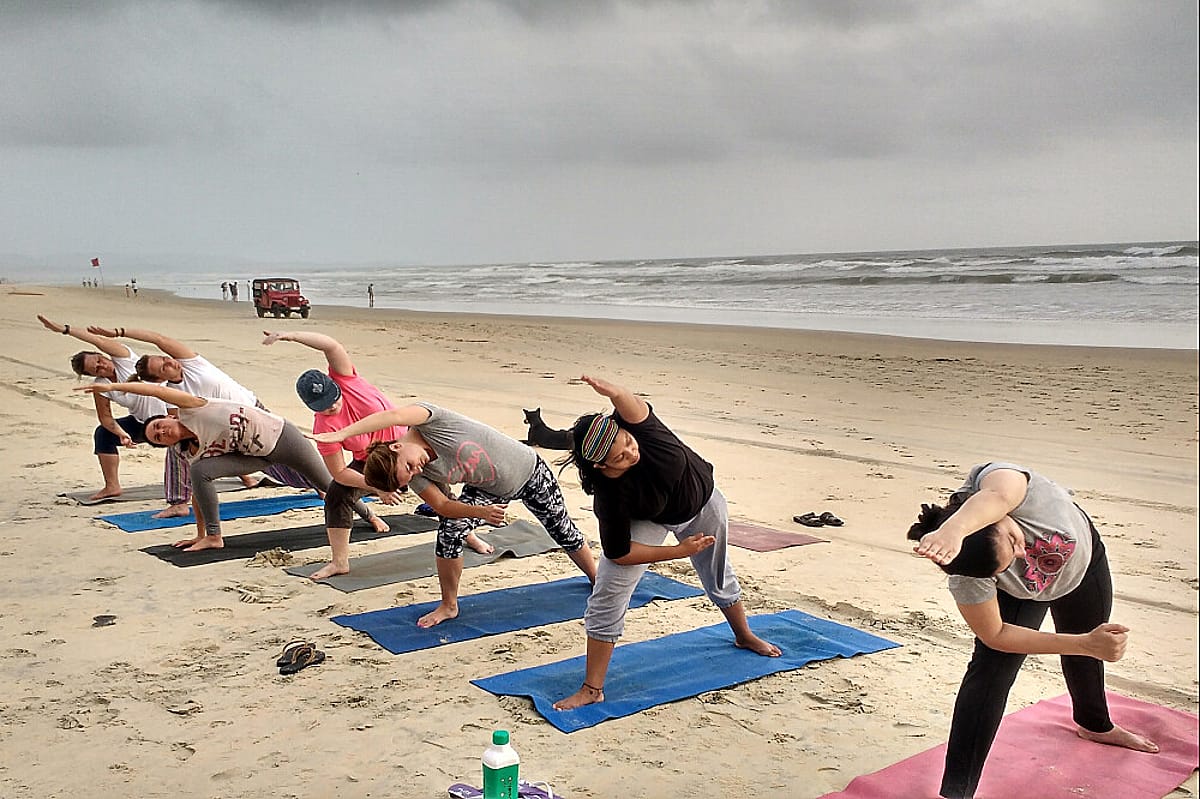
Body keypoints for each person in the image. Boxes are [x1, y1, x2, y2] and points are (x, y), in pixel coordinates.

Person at [909, 462, 1159, 799]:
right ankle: (957, 792)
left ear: (990, 516)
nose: (1022, 553)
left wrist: (954, 529)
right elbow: (996, 634)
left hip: (1085, 567)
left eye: (1012, 538)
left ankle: (1095, 725)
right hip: (1023, 594)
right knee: (991, 673)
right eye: (1009, 560)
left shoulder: (998, 481)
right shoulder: (968, 577)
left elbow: (998, 495)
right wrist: (1083, 642)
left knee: (1088, 656)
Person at [551, 375, 780, 711]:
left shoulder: (647, 435)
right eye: (621, 457)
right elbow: (621, 552)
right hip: (650, 517)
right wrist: (676, 552)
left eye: (628, 441)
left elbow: (633, 407)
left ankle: (743, 634)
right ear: (601, 467)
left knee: (716, 571)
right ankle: (592, 688)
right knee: (609, 590)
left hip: (703, 503)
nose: (632, 453)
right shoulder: (610, 498)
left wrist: (614, 392)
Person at [308, 403, 599, 628]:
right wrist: (480, 512)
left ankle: (596, 579)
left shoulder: (434, 420)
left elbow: (394, 415)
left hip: (531, 472)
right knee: (449, 533)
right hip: (488, 489)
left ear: (397, 446)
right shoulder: (419, 477)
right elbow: (444, 507)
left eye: (409, 466)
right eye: (409, 476)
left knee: (562, 531)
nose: (416, 471)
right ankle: (449, 605)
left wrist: (344, 433)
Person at [86, 324, 378, 531]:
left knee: (310, 478)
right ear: (158, 378)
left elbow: (159, 338)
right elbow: (179, 420)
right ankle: (186, 509)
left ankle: (352, 494)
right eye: (163, 368)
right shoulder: (179, 404)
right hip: (237, 441)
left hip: (261, 421)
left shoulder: (193, 365)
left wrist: (120, 334)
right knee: (188, 459)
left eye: (167, 360)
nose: (170, 363)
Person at [262, 330, 470, 581]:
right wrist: (376, 485)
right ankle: (339, 562)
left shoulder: (347, 379)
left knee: (441, 491)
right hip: (372, 460)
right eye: (323, 406)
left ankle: (468, 535)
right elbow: (339, 471)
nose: (332, 406)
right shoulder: (324, 428)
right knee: (338, 494)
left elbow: (331, 345)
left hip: (405, 443)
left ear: (334, 384)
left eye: (333, 398)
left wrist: (291, 336)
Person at [74, 382, 340, 552]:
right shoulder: (191, 452)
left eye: (158, 425)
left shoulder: (192, 407)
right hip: (259, 456)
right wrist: (200, 534)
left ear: (167, 417)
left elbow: (158, 391)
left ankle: (371, 514)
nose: (161, 431)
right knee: (201, 473)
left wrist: (115, 387)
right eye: (157, 437)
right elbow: (198, 493)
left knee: (326, 484)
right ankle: (214, 537)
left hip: (281, 435)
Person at [38, 315, 190, 517]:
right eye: (96, 368)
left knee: (199, 440)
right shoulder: (101, 385)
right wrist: (121, 433)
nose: (102, 366)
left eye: (100, 360)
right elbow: (106, 418)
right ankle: (112, 486)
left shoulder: (125, 358)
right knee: (103, 433)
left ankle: (243, 475)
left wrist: (65, 330)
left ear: (104, 355)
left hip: (171, 417)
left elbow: (98, 340)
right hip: (144, 424)